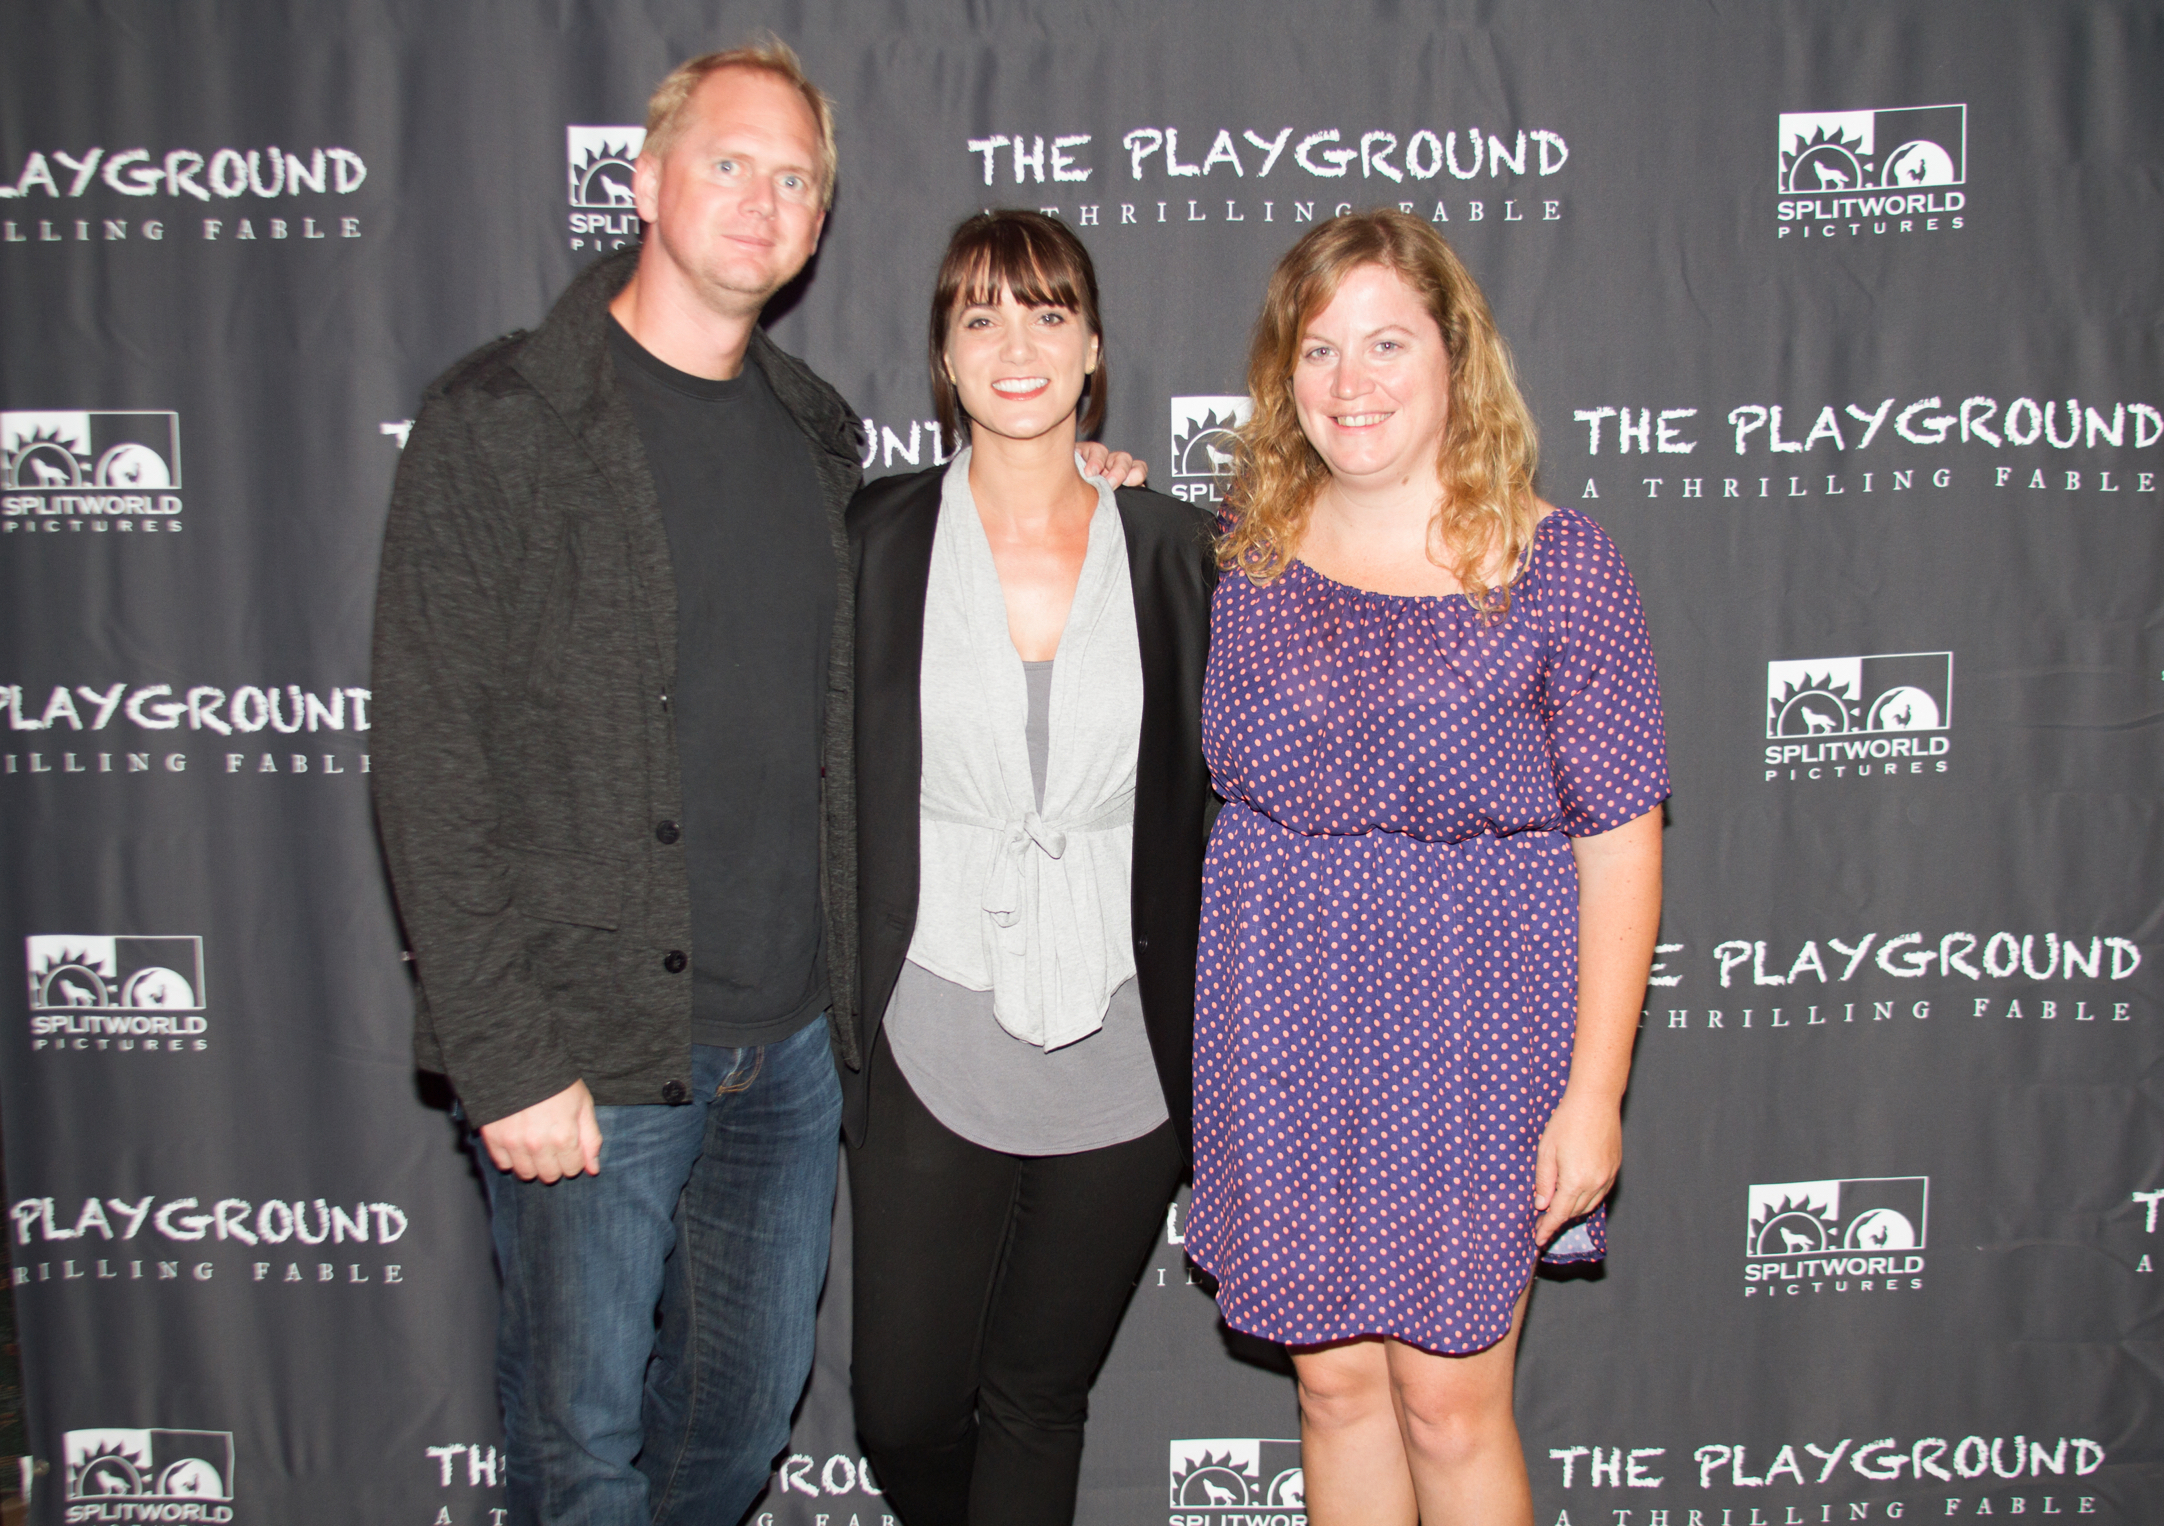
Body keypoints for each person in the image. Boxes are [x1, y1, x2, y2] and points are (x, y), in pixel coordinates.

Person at [371, 43, 1143, 1526]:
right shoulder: (500, 423)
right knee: (580, 1443)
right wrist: (504, 1052)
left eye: (795, 178)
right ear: (648, 181)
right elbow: (426, 758)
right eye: (728, 162)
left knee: (735, 1424)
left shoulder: (816, 434)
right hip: (587, 1054)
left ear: (815, 226)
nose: (761, 198)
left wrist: (1075, 479)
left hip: (790, 1054)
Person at [1184, 209, 1667, 1526]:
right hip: (1279, 1019)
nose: (1352, 382)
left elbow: (1620, 837)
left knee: (1451, 1404)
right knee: (1333, 1390)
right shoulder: (1239, 550)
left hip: (1471, 1032)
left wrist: (1595, 1093)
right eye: (1321, 347)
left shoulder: (1556, 564)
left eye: (1387, 342)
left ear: (1457, 357)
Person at [844, 210, 1214, 1525]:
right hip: (929, 1020)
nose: (1016, 344)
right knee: (900, 1405)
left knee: (1037, 1394)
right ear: (943, 356)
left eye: (1048, 312)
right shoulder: (869, 544)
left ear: (1092, 349)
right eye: (981, 315)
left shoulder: (1180, 553)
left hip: (1126, 1051)